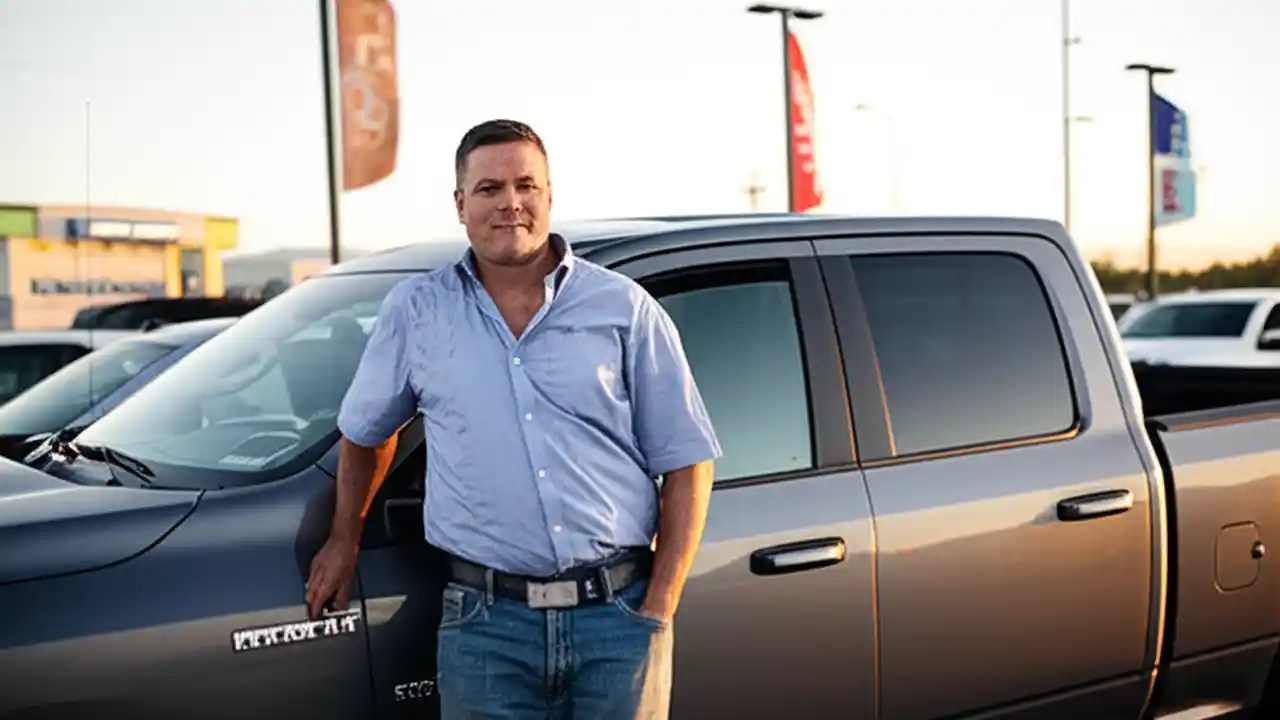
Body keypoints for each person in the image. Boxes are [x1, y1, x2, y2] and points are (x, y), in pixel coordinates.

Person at [304, 118, 721, 719]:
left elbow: (686, 459)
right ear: (460, 204)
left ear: (549, 195)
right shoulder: (418, 312)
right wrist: (345, 537)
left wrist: (658, 608)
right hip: (485, 627)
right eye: (489, 189)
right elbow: (367, 434)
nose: (511, 204)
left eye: (526, 185)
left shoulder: (623, 309)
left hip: (619, 616)